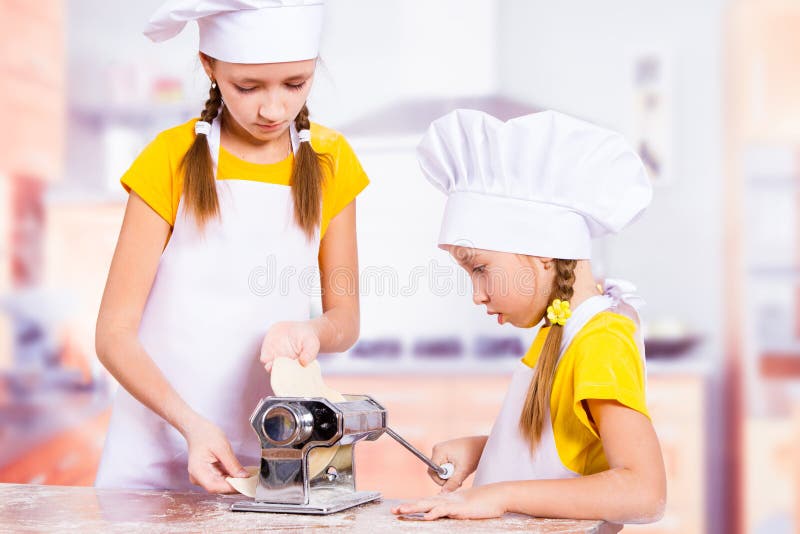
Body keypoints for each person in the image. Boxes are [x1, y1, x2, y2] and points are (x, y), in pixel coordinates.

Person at [94, 0, 368, 493]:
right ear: (209, 66)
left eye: (295, 83)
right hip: (154, 451)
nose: (274, 109)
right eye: (248, 87)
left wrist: (313, 331)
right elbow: (113, 334)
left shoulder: (332, 161)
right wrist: (191, 425)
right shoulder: (168, 159)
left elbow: (345, 320)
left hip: (272, 445)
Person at [392, 109, 666, 523]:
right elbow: (571, 455)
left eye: (480, 268)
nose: (477, 295)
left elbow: (644, 491)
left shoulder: (600, 340)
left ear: (541, 252)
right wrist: (482, 450)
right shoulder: (561, 329)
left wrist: (499, 495)